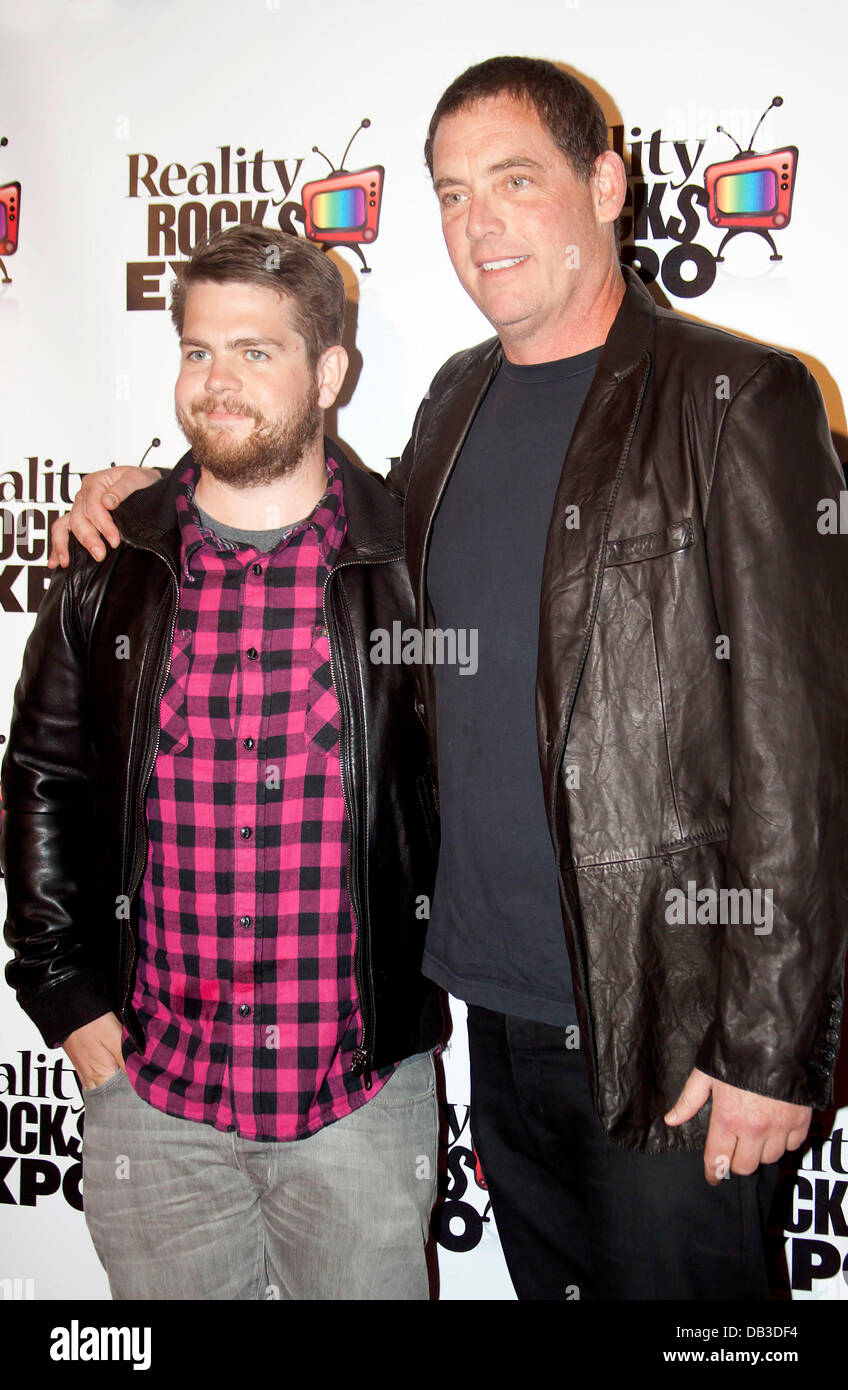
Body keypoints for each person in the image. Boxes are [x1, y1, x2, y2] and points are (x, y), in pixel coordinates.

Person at [47, 57, 848, 1302]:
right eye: (452, 192)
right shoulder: (453, 400)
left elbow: (803, 748)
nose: (479, 222)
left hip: (674, 1019)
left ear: (604, 185)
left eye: (514, 181)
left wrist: (767, 1042)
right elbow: (303, 499)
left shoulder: (733, 396)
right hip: (492, 1009)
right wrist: (147, 492)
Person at [2, 224, 443, 1301]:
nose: (217, 382)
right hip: (151, 1098)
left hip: (357, 1096)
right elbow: (43, 779)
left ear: (328, 374)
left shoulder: (411, 562)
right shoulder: (112, 563)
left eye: (255, 351)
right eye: (199, 351)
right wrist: (61, 990)